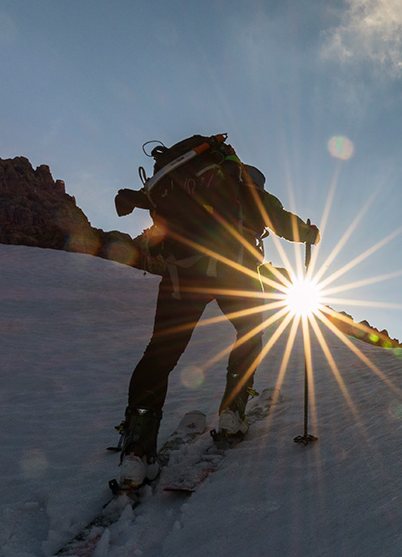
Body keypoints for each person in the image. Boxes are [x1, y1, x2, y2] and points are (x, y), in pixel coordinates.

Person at [112, 134, 319, 489]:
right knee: (250, 333)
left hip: (182, 274)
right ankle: (232, 413)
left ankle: (137, 451)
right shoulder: (243, 184)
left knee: (160, 354)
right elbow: (279, 219)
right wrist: (309, 233)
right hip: (233, 272)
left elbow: (154, 221)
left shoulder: (185, 184)